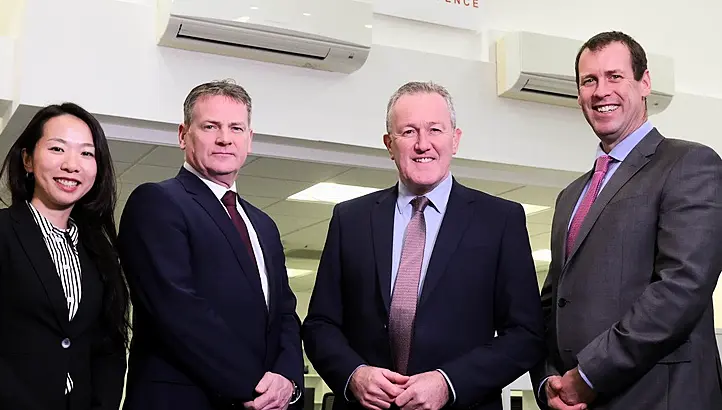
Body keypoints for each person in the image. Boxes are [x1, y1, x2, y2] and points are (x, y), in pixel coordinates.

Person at [302, 81, 545, 410]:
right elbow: (320, 325)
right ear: (389, 144)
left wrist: (449, 383)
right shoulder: (351, 219)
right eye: (408, 132)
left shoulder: (500, 221)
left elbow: (525, 335)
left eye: (435, 129)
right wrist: (354, 375)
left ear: (455, 140)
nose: (422, 144)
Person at [530, 31, 722, 410]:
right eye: (589, 80)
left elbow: (681, 287)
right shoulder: (571, 196)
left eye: (615, 76)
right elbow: (554, 301)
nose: (601, 91)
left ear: (644, 82)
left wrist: (589, 375)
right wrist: (548, 378)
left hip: (660, 397)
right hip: (577, 400)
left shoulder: (690, 164)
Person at [118, 80, 304, 410]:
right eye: (210, 126)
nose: (224, 138)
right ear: (182, 134)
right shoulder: (157, 201)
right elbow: (176, 310)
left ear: (249, 139)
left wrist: (287, 380)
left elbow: (284, 315)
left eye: (236, 127)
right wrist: (255, 385)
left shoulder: (263, 225)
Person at [0, 103, 131, 410]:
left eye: (87, 153)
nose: (72, 164)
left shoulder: (100, 252)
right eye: (58, 149)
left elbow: (109, 348)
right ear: (27, 160)